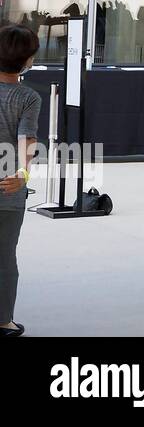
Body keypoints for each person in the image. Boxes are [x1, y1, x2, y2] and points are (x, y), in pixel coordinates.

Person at [0, 25, 40, 337]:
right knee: (4, 255)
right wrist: (23, 174)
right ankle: (3, 322)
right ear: (27, 60)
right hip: (8, 187)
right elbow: (27, 139)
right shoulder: (27, 97)